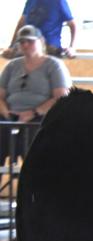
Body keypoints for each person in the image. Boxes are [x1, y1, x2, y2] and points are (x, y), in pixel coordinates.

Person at [0, 25, 71, 163]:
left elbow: (61, 97)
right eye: (22, 42)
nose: (25, 44)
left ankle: (33, 178)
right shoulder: (11, 66)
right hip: (10, 115)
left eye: (30, 41)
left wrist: (33, 112)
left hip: (40, 116)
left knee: (34, 139)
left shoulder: (54, 65)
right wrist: (6, 113)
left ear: (41, 41)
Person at [3, 0, 76, 59]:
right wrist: (11, 46)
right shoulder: (30, 1)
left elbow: (72, 24)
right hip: (29, 43)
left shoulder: (58, 1)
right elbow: (21, 22)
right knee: (8, 55)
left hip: (49, 45)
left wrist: (71, 47)